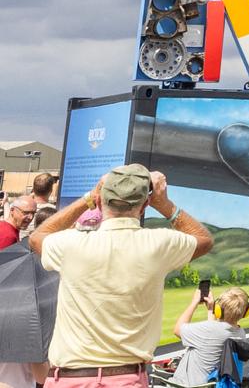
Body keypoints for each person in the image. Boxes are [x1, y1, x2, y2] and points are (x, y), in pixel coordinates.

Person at [29, 164, 214, 388]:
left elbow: (38, 237)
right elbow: (203, 239)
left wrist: (87, 198)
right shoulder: (158, 244)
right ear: (145, 205)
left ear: (100, 200)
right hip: (127, 378)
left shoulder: (72, 244)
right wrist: (165, 205)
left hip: (69, 378)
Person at [170, 287, 249, 387]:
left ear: (219, 310)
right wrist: (210, 310)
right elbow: (213, 333)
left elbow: (177, 329)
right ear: (246, 311)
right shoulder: (240, 334)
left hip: (183, 385)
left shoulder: (209, 330)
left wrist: (194, 303)